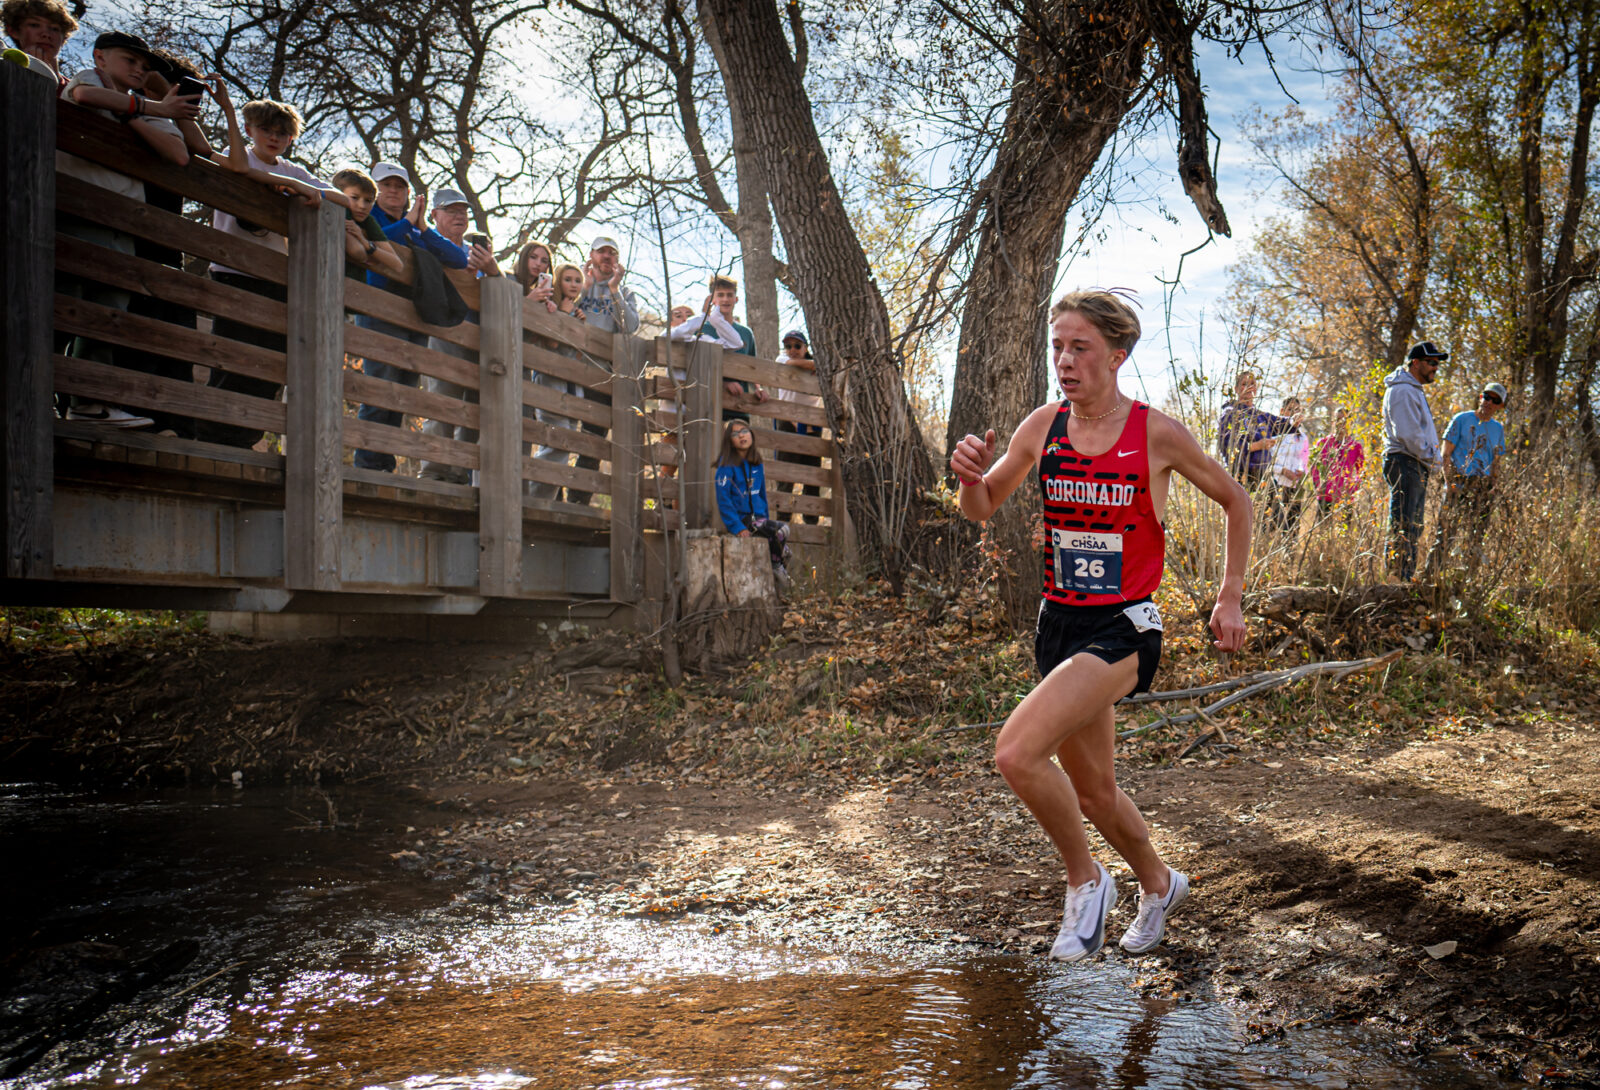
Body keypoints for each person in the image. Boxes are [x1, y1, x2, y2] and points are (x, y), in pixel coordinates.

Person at [948, 289, 1251, 962]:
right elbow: (981, 507)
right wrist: (968, 477)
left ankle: (1087, 884)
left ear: (1116, 356)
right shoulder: (1042, 426)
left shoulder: (1156, 433)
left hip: (1125, 626)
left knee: (1016, 754)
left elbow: (1236, 500)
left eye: (1079, 347)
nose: (1064, 360)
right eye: (1057, 346)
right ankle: (1160, 883)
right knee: (1095, 791)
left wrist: (1229, 596)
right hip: (1058, 624)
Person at [56, 31, 192, 428]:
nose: (137, 70)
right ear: (100, 58)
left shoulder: (148, 109)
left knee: (108, 314)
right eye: (129, 61)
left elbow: (179, 153)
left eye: (144, 67)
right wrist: (145, 106)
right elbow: (84, 99)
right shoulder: (89, 78)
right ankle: (34, 392)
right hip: (77, 212)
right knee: (63, 306)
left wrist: (137, 112)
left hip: (122, 221)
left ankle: (89, 401)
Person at [195, 92, 330, 448]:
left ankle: (246, 437)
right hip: (232, 270)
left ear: (291, 138)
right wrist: (294, 188)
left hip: (275, 277)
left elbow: (341, 199)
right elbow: (242, 171)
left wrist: (303, 188)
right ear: (250, 129)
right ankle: (212, 436)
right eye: (267, 129)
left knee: (269, 362)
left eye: (283, 133)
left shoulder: (293, 171)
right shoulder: (238, 158)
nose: (274, 138)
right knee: (233, 354)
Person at [350, 162, 472, 472]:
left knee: (402, 393)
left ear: (407, 194)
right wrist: (407, 222)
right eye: (386, 185)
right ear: (375, 191)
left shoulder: (415, 228)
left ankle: (384, 463)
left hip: (413, 318)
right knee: (380, 389)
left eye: (400, 186)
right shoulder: (370, 216)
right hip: (380, 312)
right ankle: (367, 464)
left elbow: (458, 257)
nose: (393, 191)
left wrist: (424, 229)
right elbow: (376, 241)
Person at [417, 188, 503, 484]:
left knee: (474, 411)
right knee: (442, 405)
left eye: (463, 211)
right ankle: (432, 473)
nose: (459, 216)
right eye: (451, 210)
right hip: (443, 335)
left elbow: (504, 293)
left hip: (480, 340)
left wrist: (491, 268)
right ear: (434, 215)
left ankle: (459, 474)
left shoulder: (475, 252)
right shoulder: (427, 244)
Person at [568, 236, 639, 504]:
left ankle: (578, 501)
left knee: (592, 442)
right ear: (591, 255)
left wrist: (614, 289)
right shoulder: (574, 280)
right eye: (602, 252)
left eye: (612, 253)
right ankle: (548, 490)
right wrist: (584, 287)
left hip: (600, 376)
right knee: (558, 431)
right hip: (567, 368)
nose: (607, 257)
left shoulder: (624, 292)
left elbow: (630, 326)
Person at [1425, 381, 1507, 575]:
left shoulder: (1498, 429)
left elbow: (1496, 462)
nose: (1489, 402)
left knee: (1476, 539)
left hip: (1482, 487)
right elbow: (1445, 454)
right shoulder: (1461, 419)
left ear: (1500, 406)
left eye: (1495, 400)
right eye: (1487, 397)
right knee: (1445, 536)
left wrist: (1494, 486)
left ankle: (1465, 583)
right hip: (1458, 482)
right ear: (1481, 397)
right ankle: (1429, 580)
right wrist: (1451, 482)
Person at [1382, 341, 1445, 580]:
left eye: (1437, 364)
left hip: (1414, 463)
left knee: (1412, 525)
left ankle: (1404, 578)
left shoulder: (1412, 389)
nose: (1435, 368)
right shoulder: (1403, 390)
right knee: (1404, 524)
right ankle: (1396, 579)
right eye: (1431, 363)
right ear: (1415, 363)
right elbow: (1408, 434)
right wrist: (1433, 458)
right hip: (1405, 462)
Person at [526, 262, 589, 501]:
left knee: (567, 442)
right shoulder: (549, 306)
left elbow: (580, 353)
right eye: (568, 279)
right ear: (557, 282)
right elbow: (551, 343)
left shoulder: (577, 310)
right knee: (557, 442)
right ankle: (533, 497)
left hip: (573, 385)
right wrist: (563, 315)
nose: (573, 284)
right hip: (551, 382)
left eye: (577, 280)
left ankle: (541, 498)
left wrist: (578, 323)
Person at [715, 420, 791, 585]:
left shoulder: (757, 463)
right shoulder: (726, 466)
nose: (741, 435)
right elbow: (724, 500)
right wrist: (738, 527)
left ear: (751, 435)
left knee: (785, 549)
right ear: (730, 441)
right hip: (744, 521)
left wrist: (766, 520)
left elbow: (761, 495)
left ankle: (776, 577)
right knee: (784, 530)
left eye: (744, 431)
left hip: (759, 519)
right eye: (735, 434)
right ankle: (776, 567)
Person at [772, 329, 823, 525]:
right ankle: (782, 523)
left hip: (812, 424)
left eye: (797, 346)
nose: (792, 350)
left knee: (812, 477)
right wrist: (811, 364)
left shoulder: (816, 364)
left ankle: (811, 522)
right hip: (787, 423)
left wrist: (814, 364)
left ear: (805, 347)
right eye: (788, 346)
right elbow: (790, 363)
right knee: (786, 477)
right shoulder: (781, 359)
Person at [1216, 370, 1299, 489]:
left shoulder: (1260, 416)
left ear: (1256, 388)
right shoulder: (1231, 414)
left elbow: (1281, 423)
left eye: (1252, 384)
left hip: (1264, 478)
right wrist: (1257, 445)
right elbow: (1226, 446)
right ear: (1236, 389)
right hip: (1240, 478)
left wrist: (1294, 420)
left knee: (1275, 505)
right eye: (1244, 384)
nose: (1249, 387)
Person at [331, 168, 403, 282]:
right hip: (330, 280)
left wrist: (364, 242)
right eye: (354, 198)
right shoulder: (340, 209)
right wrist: (368, 255)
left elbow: (398, 265)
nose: (362, 206)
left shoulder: (367, 220)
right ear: (338, 194)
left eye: (368, 200)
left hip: (355, 288)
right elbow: (358, 252)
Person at [1309, 406, 1365, 523]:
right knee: (1322, 529)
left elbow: (1361, 471)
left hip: (1345, 496)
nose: (1341, 423)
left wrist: (1352, 488)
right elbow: (1314, 467)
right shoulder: (1323, 443)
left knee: (1344, 532)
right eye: (1338, 419)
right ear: (1333, 421)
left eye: (1345, 420)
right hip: (1325, 494)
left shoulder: (1355, 446)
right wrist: (1318, 485)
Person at [1267, 396, 1309, 535]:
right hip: (1275, 484)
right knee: (1273, 523)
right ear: (1282, 411)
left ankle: (1289, 553)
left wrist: (1301, 471)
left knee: (1292, 527)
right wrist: (1283, 470)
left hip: (1294, 485)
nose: (1293, 413)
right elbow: (1268, 461)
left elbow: (1305, 460)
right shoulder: (1274, 434)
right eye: (1290, 409)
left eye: (1297, 410)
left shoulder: (1303, 437)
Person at [2, 0, 74, 81]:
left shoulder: (76, 91)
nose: (46, 34)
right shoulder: (4, 78)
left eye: (55, 29)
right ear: (13, 31)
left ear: (64, 38)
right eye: (35, 25)